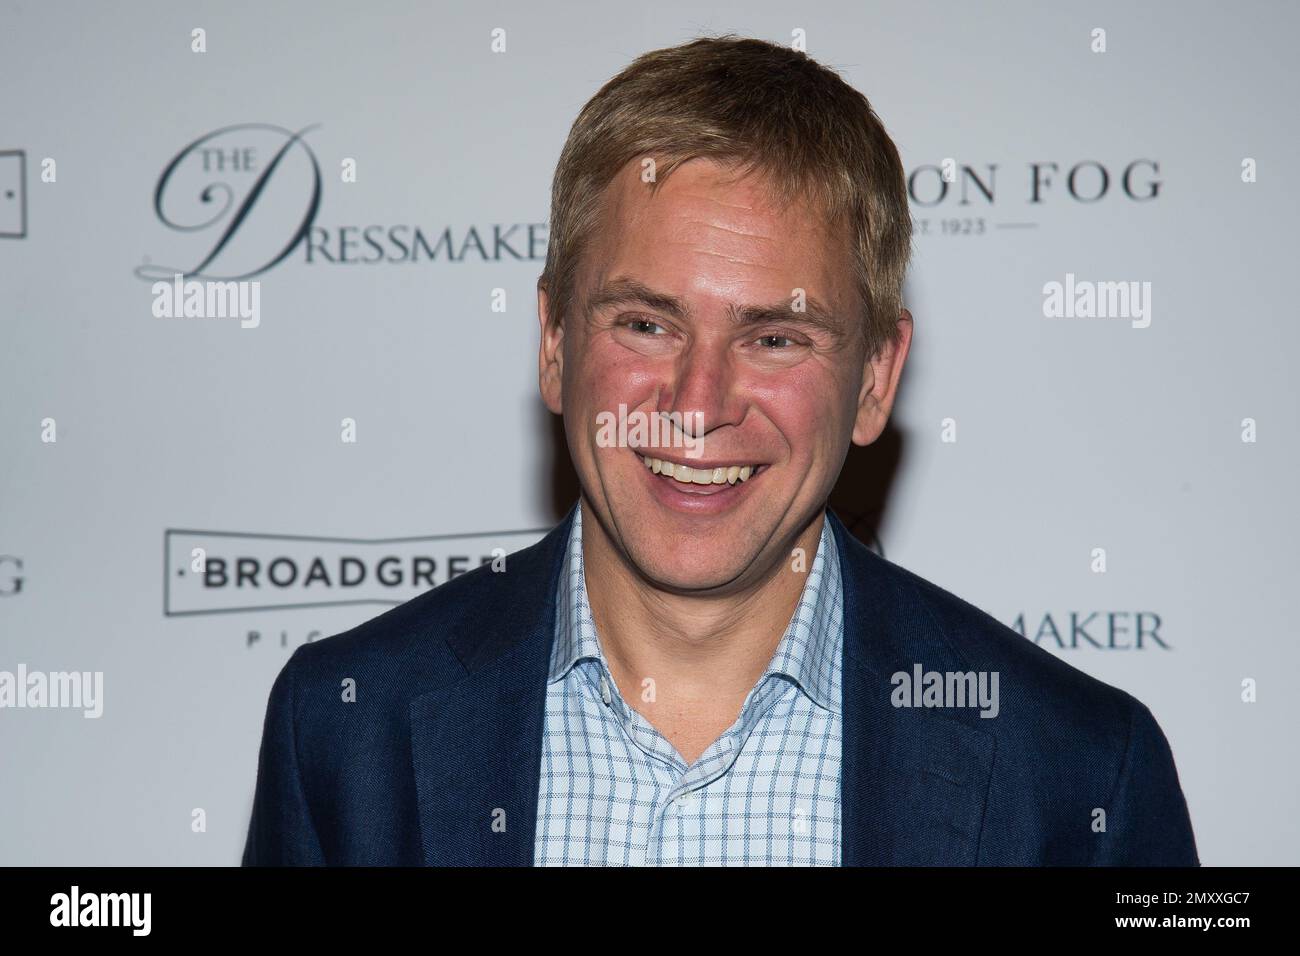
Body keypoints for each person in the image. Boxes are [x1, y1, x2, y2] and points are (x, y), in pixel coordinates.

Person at [243, 35, 1197, 866]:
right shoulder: (345, 730)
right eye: (646, 323)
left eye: (776, 338)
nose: (697, 407)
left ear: (874, 379)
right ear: (553, 343)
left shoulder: (1078, 772)